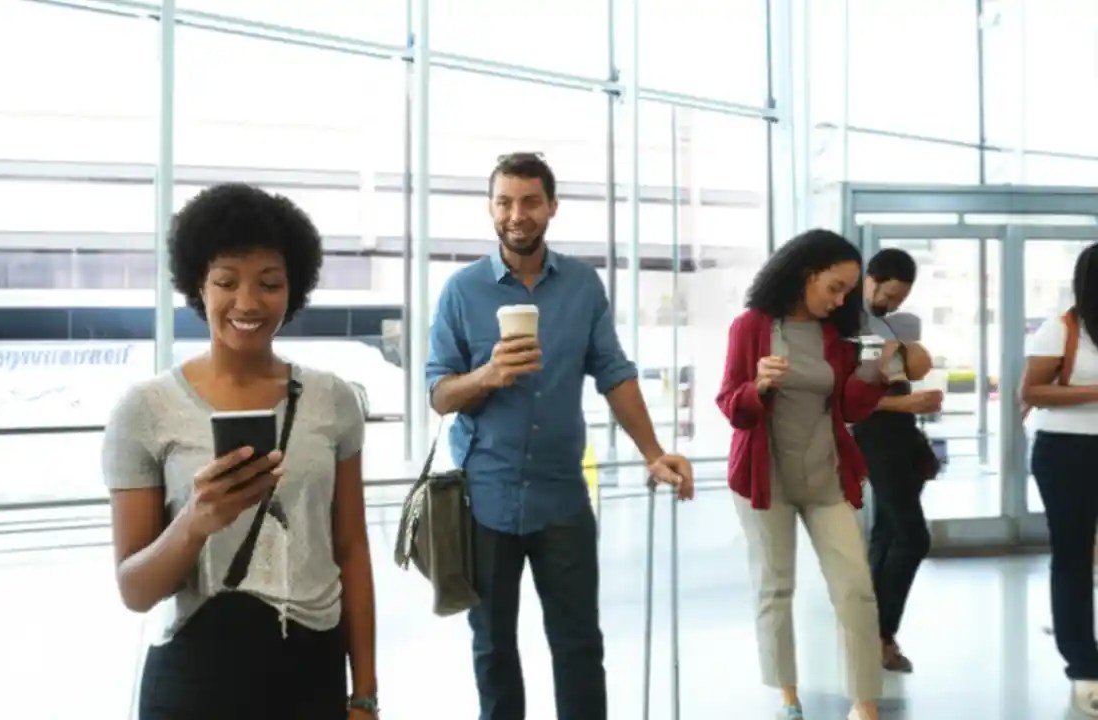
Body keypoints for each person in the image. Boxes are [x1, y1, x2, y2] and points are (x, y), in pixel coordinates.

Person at [426, 152, 694, 720]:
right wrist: (488, 375)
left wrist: (653, 453)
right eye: (504, 202)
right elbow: (439, 394)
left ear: (551, 207)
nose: (516, 214)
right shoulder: (462, 290)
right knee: (494, 649)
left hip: (563, 498)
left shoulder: (580, 285)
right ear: (491, 209)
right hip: (485, 498)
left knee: (578, 646)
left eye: (529, 201)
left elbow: (614, 373)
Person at [101, 184, 378, 719]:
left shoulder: (333, 400)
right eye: (226, 281)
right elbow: (135, 590)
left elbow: (352, 550)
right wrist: (195, 521)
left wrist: (364, 693)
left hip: (311, 674)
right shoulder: (145, 410)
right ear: (197, 286)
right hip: (196, 679)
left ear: (292, 289)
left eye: (269, 283)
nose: (247, 303)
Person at [716, 228, 891, 720]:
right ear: (805, 275)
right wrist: (758, 386)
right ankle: (789, 698)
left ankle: (865, 702)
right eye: (834, 287)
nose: (840, 300)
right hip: (763, 477)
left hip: (826, 476)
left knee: (855, 586)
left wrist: (876, 368)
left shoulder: (835, 336)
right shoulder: (750, 326)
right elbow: (733, 406)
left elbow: (851, 407)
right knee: (775, 587)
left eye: (847, 291)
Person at [853, 248, 941, 674]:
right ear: (870, 279)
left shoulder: (894, 324)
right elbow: (845, 402)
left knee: (887, 533)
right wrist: (904, 403)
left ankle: (870, 633)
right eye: (888, 293)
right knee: (912, 536)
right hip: (875, 434)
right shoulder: (847, 323)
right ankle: (881, 635)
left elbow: (913, 370)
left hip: (901, 435)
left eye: (901, 297)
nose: (893, 303)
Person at [1021, 242, 1098, 718]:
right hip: (1066, 452)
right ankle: (1084, 667)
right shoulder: (1062, 329)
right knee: (1071, 556)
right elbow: (1030, 392)